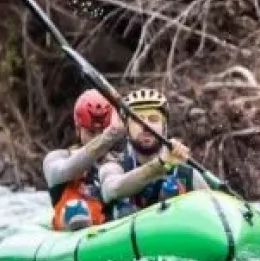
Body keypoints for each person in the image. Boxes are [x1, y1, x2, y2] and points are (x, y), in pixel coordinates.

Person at [98, 88, 208, 219]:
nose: (145, 126)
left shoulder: (187, 174)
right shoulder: (114, 164)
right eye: (138, 120)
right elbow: (111, 190)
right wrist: (159, 165)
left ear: (164, 127)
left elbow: (211, 209)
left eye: (153, 119)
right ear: (127, 128)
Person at [43, 89, 128, 231]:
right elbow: (65, 170)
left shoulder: (120, 159)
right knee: (77, 210)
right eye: (91, 132)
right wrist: (108, 136)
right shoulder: (58, 158)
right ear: (78, 129)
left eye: (102, 132)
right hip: (75, 230)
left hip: (113, 229)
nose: (97, 137)